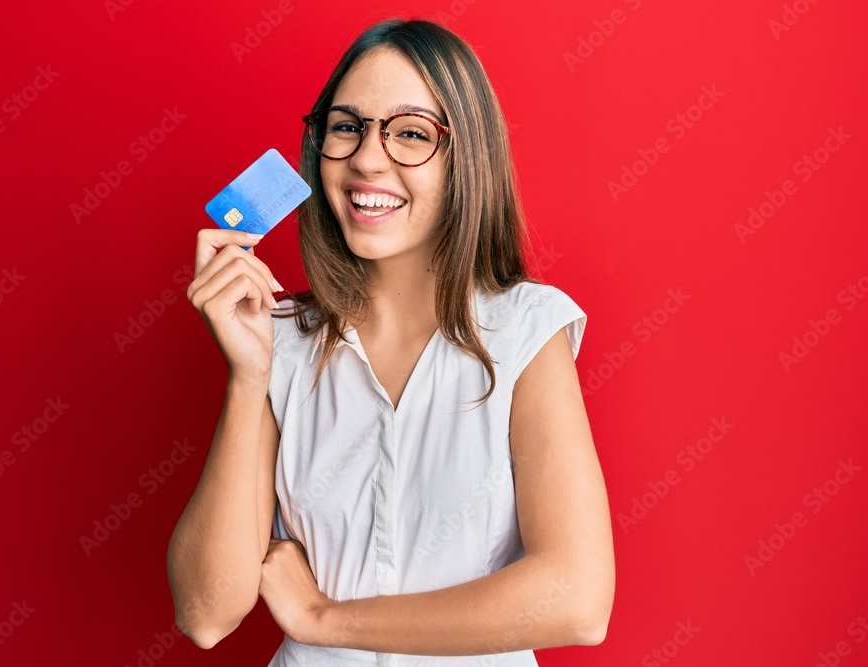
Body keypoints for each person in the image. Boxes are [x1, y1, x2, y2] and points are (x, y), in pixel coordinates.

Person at [167, 17, 615, 666]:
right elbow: (206, 613)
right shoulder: (281, 337)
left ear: (466, 158)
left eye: (410, 133)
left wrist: (325, 619)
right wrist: (247, 377)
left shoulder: (526, 330)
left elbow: (577, 599)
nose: (367, 159)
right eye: (346, 127)